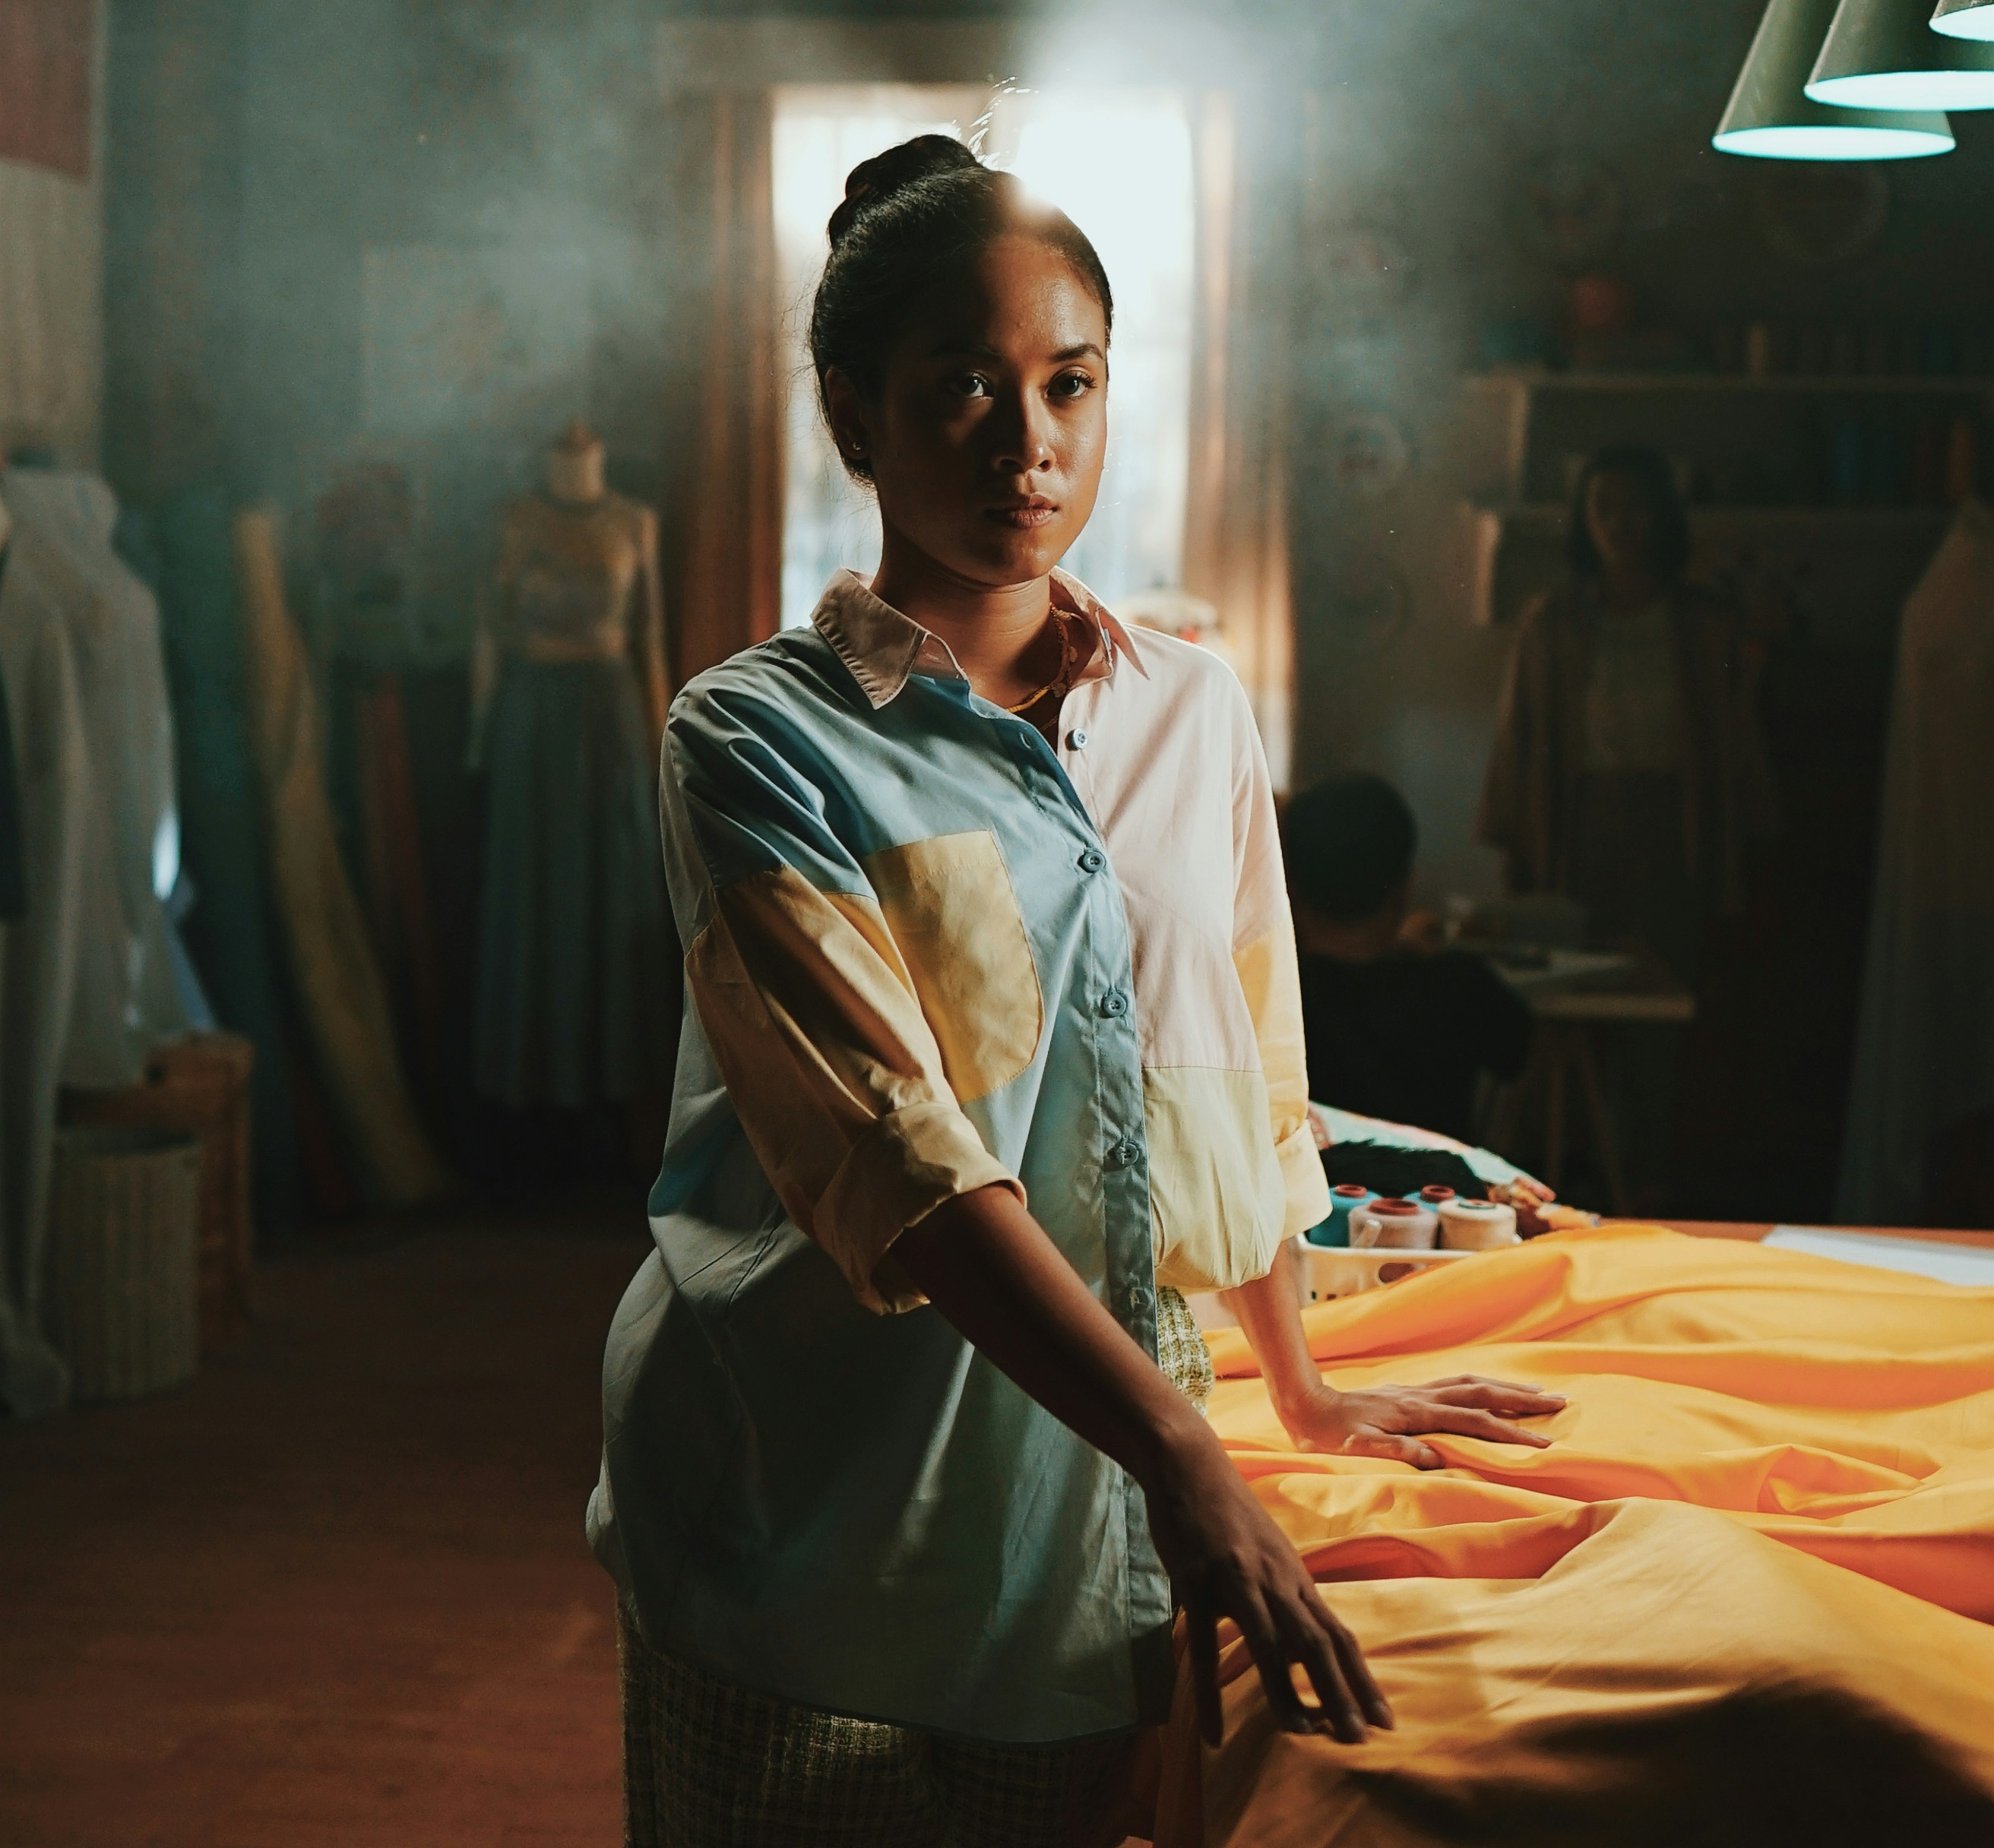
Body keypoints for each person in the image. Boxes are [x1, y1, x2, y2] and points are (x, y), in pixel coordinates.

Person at [589, 135, 1562, 1847]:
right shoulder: (752, 738)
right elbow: (901, 1159)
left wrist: (1300, 1385)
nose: (1026, 441)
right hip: (813, 1524)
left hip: (1088, 1541)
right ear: (853, 410)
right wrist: (1186, 1450)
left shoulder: (1193, 709)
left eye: (1069, 382)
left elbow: (1234, 1072)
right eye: (960, 386)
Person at [1476, 442, 1774, 976]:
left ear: (1662, 514)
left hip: (1674, 820)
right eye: (1602, 507)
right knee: (1579, 972)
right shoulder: (1554, 622)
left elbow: (1737, 740)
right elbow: (1516, 739)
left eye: (1635, 506)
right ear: (1584, 519)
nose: (1619, 523)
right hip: (1582, 820)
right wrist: (1513, 838)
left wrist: (1746, 835)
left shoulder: (1704, 624)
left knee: (1669, 973)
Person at [1286, 772, 1531, 1142]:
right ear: (1405, 886)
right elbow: (1515, 1053)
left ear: (1289, 887)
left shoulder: (1274, 1001)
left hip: (1312, 1197)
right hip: (1443, 1196)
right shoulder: (1458, 984)